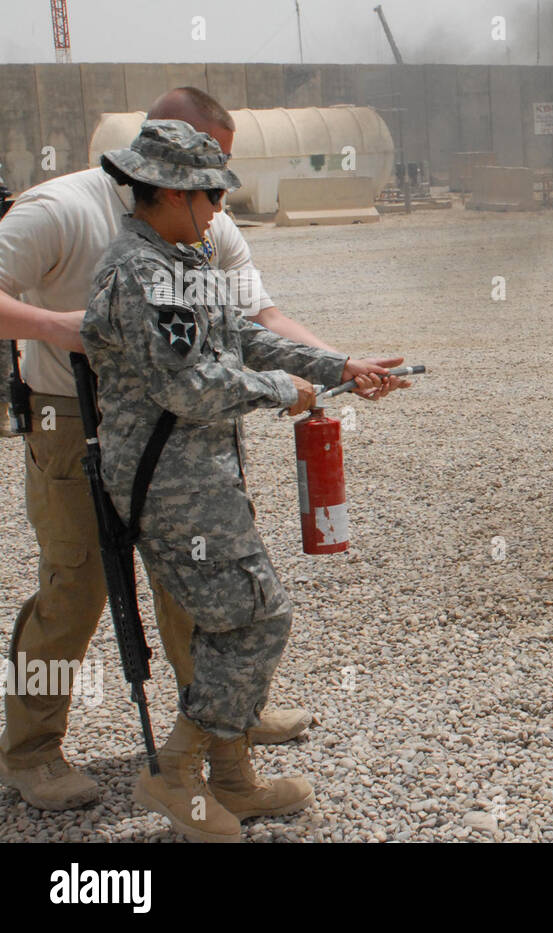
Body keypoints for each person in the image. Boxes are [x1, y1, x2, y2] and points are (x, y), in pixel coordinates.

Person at [0, 86, 404, 811]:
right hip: (77, 416)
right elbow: (195, 375)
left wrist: (340, 364)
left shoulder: (194, 238)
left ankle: (226, 742)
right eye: (213, 176)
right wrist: (64, 329)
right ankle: (32, 750)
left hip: (188, 437)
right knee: (76, 591)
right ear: (169, 169)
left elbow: (249, 320)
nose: (222, 192)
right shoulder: (62, 211)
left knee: (203, 597)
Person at [82, 119, 372, 842]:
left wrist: (338, 367)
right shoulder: (143, 274)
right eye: (211, 194)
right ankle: (174, 773)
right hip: (170, 481)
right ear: (173, 193)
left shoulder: (180, 256)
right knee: (256, 616)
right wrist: (282, 390)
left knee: (233, 617)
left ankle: (231, 780)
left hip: (199, 472)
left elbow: (237, 336)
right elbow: (193, 386)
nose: (219, 208)